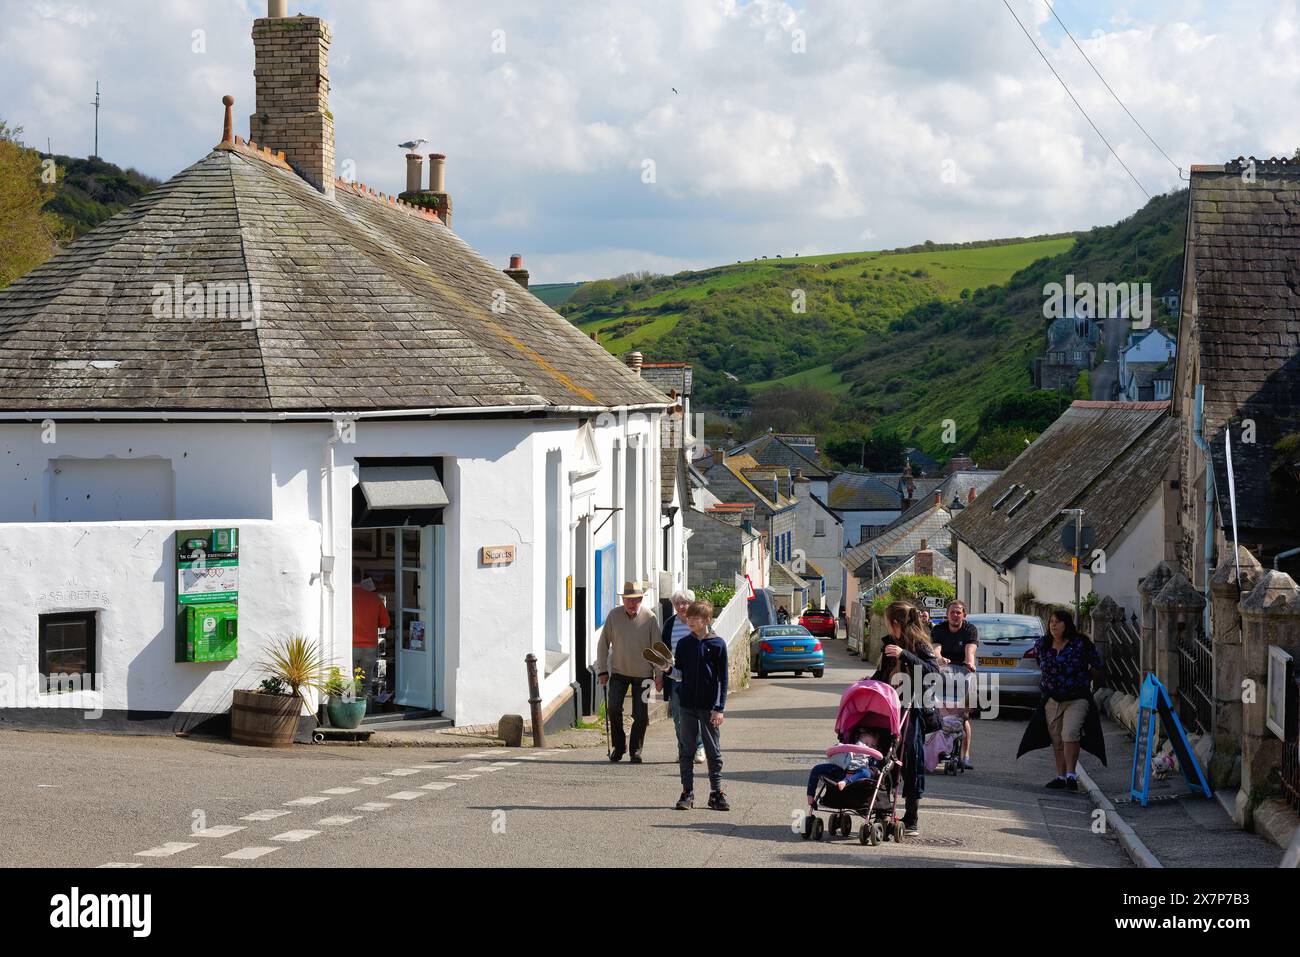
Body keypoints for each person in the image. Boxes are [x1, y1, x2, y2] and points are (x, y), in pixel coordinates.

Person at [1017, 609, 1108, 790]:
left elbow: (1098, 665)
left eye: (1058, 622)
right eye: (1051, 622)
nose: (1053, 625)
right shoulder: (1043, 644)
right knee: (1056, 738)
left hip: (1077, 698)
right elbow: (1039, 662)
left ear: (1066, 624)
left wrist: (1084, 679)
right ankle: (1060, 776)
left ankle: (1072, 775)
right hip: (1052, 699)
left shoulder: (1081, 644)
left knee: (1070, 734)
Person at [872, 601, 940, 836]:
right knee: (883, 756)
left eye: (887, 622)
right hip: (889, 708)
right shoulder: (888, 644)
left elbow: (933, 672)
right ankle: (880, 810)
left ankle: (912, 817)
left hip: (914, 709)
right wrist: (869, 683)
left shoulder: (919, 644)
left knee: (910, 759)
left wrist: (906, 654)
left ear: (896, 623)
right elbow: (882, 673)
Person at [658, 599, 729, 811]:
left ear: (707, 620)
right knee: (686, 749)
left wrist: (719, 708)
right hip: (687, 704)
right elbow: (679, 674)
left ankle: (716, 793)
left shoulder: (718, 644)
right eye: (688, 618)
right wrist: (668, 670)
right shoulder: (684, 644)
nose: (689, 621)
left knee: (713, 751)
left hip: (709, 707)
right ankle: (687, 792)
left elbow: (723, 680)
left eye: (694, 618)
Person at [595, 581, 660, 764]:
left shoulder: (650, 618)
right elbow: (603, 644)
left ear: (641, 599)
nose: (632, 604)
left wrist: (659, 675)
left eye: (636, 600)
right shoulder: (614, 616)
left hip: (645, 675)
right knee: (613, 708)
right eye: (628, 600)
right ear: (623, 600)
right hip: (618, 672)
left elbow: (657, 649)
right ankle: (619, 745)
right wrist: (601, 671)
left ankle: (636, 750)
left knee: (641, 715)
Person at [656, 589, 705, 765]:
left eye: (685, 603)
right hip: (674, 677)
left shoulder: (699, 624)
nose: (681, 607)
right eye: (678, 604)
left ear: (692, 604)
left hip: (696, 678)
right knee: (678, 717)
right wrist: (660, 675)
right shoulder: (670, 624)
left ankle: (698, 748)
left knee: (696, 715)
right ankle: (684, 749)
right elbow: (663, 652)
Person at [931, 599, 978, 769]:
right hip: (943, 673)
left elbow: (970, 650)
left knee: (963, 717)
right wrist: (939, 659)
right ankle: (939, 749)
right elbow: (936, 649)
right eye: (952, 612)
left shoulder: (970, 629)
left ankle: (965, 755)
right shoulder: (939, 629)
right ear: (947, 614)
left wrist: (970, 662)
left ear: (964, 615)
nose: (955, 615)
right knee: (939, 712)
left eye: (959, 612)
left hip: (965, 673)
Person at [805, 727, 884, 805]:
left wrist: (874, 766)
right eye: (866, 744)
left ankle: (845, 782)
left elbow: (876, 769)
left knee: (865, 772)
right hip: (843, 771)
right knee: (817, 769)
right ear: (857, 743)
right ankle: (810, 796)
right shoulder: (849, 751)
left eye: (873, 745)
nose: (868, 747)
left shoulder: (874, 757)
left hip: (858, 777)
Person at [351, 574, 389, 694]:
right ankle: (367, 711)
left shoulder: (344, 596)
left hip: (350, 644)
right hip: (369, 646)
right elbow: (385, 623)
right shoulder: (374, 598)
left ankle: (351, 709)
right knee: (366, 683)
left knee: (348, 682)